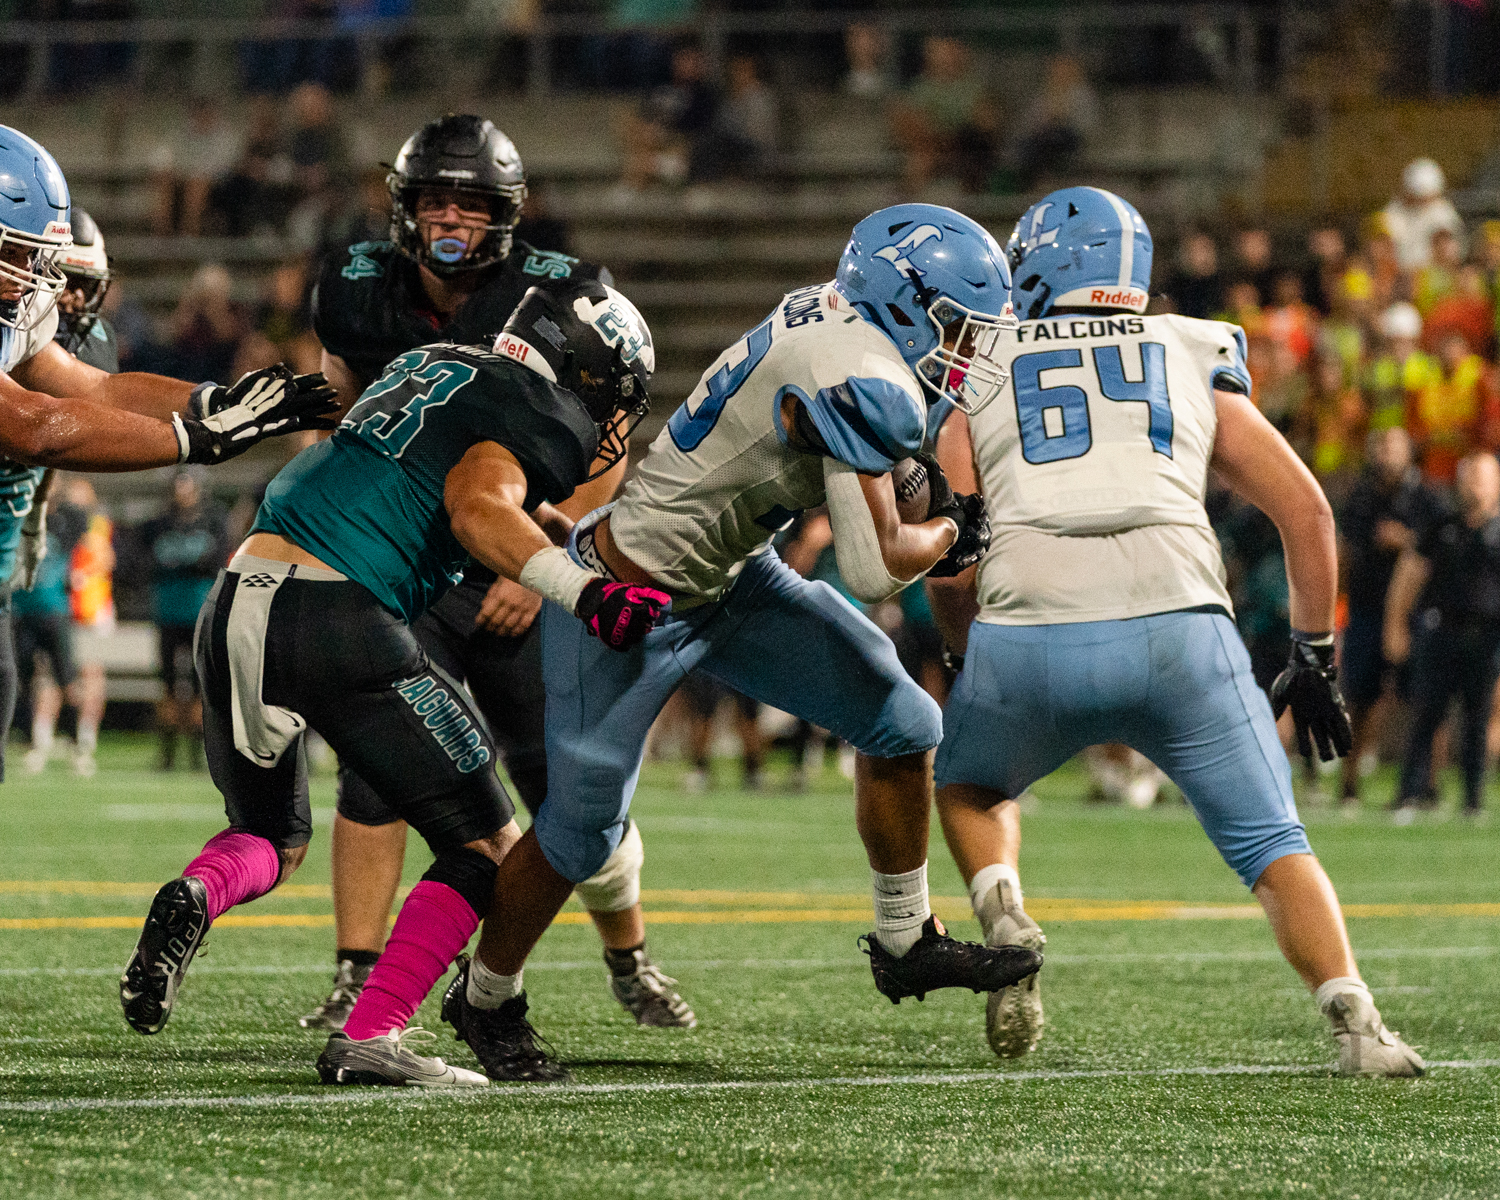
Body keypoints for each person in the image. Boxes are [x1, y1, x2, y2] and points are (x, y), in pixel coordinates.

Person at [436, 204, 1044, 1084]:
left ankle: (905, 937)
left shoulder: (844, 324)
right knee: (578, 831)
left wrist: (924, 497)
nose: (969, 350)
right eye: (958, 326)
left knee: (904, 721)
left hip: (730, 577)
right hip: (632, 597)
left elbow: (855, 469)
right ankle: (486, 996)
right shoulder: (862, 372)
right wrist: (955, 529)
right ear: (905, 303)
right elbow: (874, 568)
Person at [925, 186, 1424, 1077]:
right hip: (1182, 629)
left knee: (968, 787)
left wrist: (966, 652)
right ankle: (1356, 1019)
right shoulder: (1193, 345)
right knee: (1273, 843)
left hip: (1030, 626)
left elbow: (953, 562)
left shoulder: (982, 363)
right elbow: (1307, 511)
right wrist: (1314, 654)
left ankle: (1004, 916)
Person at [120, 280, 661, 1094]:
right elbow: (478, 505)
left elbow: (450, 480)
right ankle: (373, 1034)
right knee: (487, 847)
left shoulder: (432, 361)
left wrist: (571, 542)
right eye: (610, 389)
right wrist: (583, 592)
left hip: (238, 596)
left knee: (270, 834)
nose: (611, 412)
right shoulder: (535, 408)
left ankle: (198, 890)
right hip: (338, 611)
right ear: (578, 370)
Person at [300, 113, 696, 1034]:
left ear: (506, 212)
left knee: (565, 782)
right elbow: (342, 421)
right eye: (435, 200)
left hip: (516, 562)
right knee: (376, 765)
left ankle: (629, 955)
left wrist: (536, 562)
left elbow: (605, 437)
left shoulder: (559, 295)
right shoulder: (357, 291)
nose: (451, 219)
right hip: (411, 568)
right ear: (404, 206)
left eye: (471, 203)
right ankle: (357, 972)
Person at [0, 125, 339, 781]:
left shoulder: (18, 305)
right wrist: (193, 440)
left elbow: (95, 387)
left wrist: (216, 402)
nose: (36, 275)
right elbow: (33, 426)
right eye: (16, 251)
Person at [1385, 452, 1500, 816]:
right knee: (1427, 714)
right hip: (1441, 632)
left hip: (1486, 637)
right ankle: (1410, 792)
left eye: (1483, 477)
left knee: (1478, 719)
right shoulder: (1441, 526)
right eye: (1470, 477)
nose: (1475, 485)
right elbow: (1411, 573)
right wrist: (1396, 624)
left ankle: (1473, 800)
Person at [1337, 428, 1441, 805]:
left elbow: (1438, 552)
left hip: (1416, 613)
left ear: (1409, 453)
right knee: (1359, 697)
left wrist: (1405, 539)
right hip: (1365, 609)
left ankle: (1426, 784)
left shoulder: (1427, 499)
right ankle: (1349, 783)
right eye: (1380, 446)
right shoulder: (1361, 497)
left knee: (1425, 699)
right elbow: (1346, 550)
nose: (1385, 454)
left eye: (1393, 447)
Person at [142, 469, 231, 771]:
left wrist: (177, 564)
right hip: (168, 612)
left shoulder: (213, 520)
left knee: (199, 684)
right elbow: (143, 561)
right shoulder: (159, 523)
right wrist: (185, 564)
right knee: (167, 683)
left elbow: (217, 562)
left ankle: (197, 754)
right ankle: (167, 753)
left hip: (200, 613)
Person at [888, 37, 999, 194]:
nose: (945, 58)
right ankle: (905, 202)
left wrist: (947, 130)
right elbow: (909, 121)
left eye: (949, 51)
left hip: (963, 146)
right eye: (939, 52)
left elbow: (986, 122)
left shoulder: (974, 88)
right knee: (922, 154)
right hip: (929, 144)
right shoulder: (919, 88)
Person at [1383, 158, 1463, 274]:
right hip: (1397, 275)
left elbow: (1452, 254)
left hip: (1432, 275)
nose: (1422, 202)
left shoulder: (1443, 213)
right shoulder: (1392, 213)